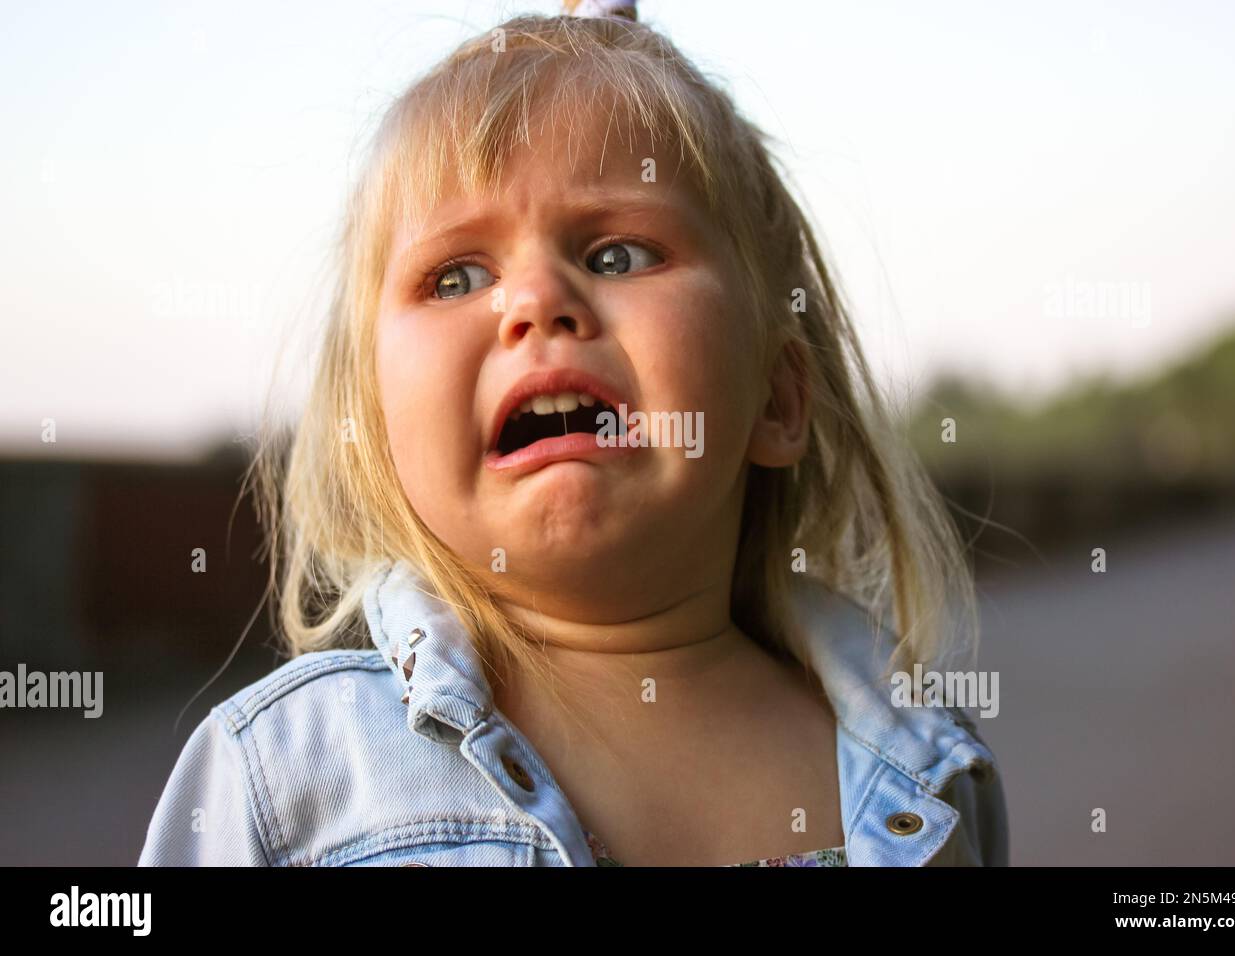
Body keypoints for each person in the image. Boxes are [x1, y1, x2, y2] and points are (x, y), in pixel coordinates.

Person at [139, 0, 1008, 867]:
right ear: (376, 420)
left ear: (778, 400)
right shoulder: (293, 777)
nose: (534, 302)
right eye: (455, 277)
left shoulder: (930, 773)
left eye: (617, 256)